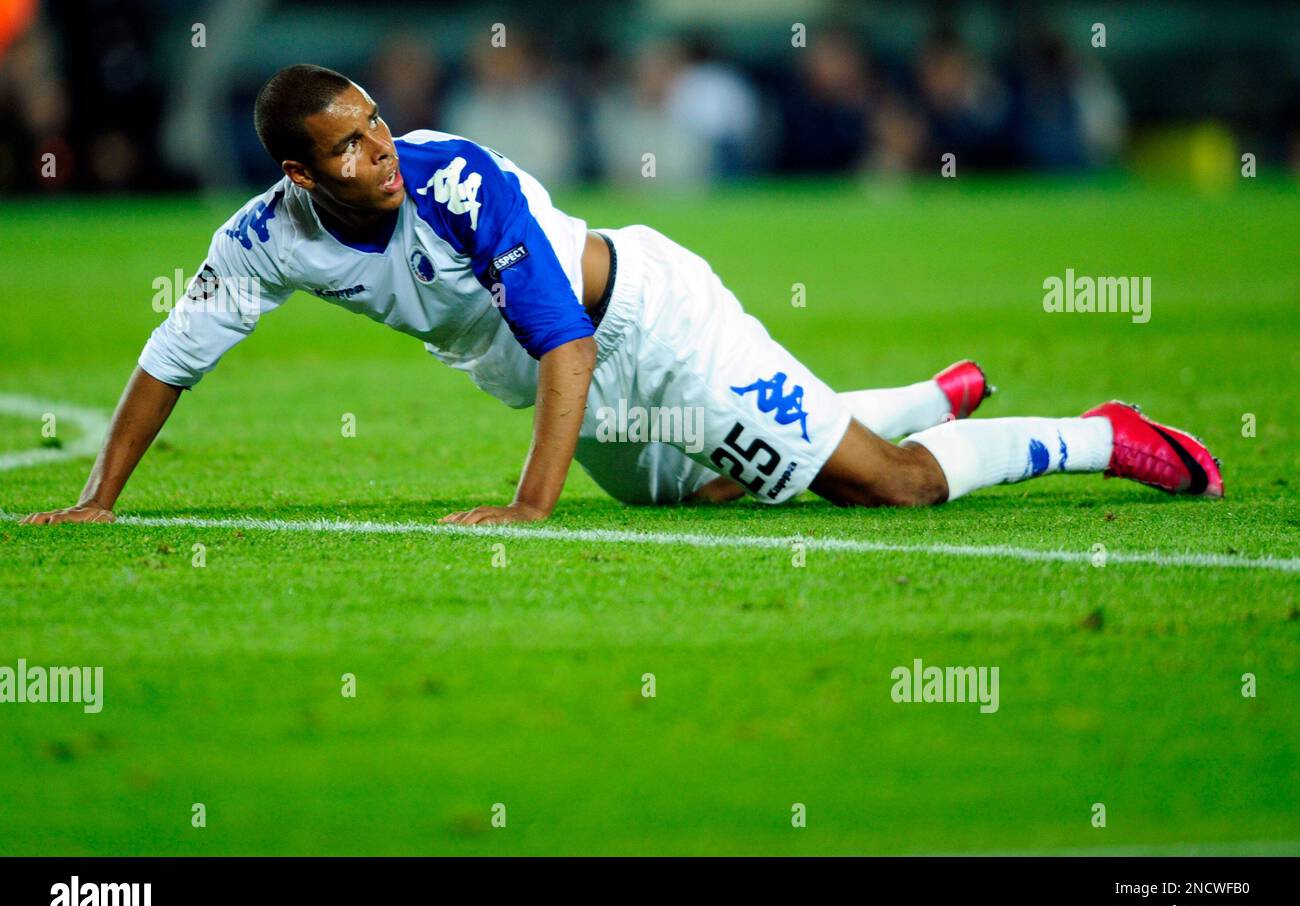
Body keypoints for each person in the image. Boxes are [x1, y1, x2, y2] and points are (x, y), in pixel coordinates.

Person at [20, 64, 1222, 528]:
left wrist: (530, 507)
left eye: (376, 125)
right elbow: (168, 358)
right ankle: (918, 394)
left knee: (885, 488)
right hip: (574, 385)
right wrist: (97, 503)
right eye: (347, 146)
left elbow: (564, 340)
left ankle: (1097, 436)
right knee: (717, 485)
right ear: (299, 173)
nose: (377, 150)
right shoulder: (263, 239)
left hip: (644, 326)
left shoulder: (454, 179)